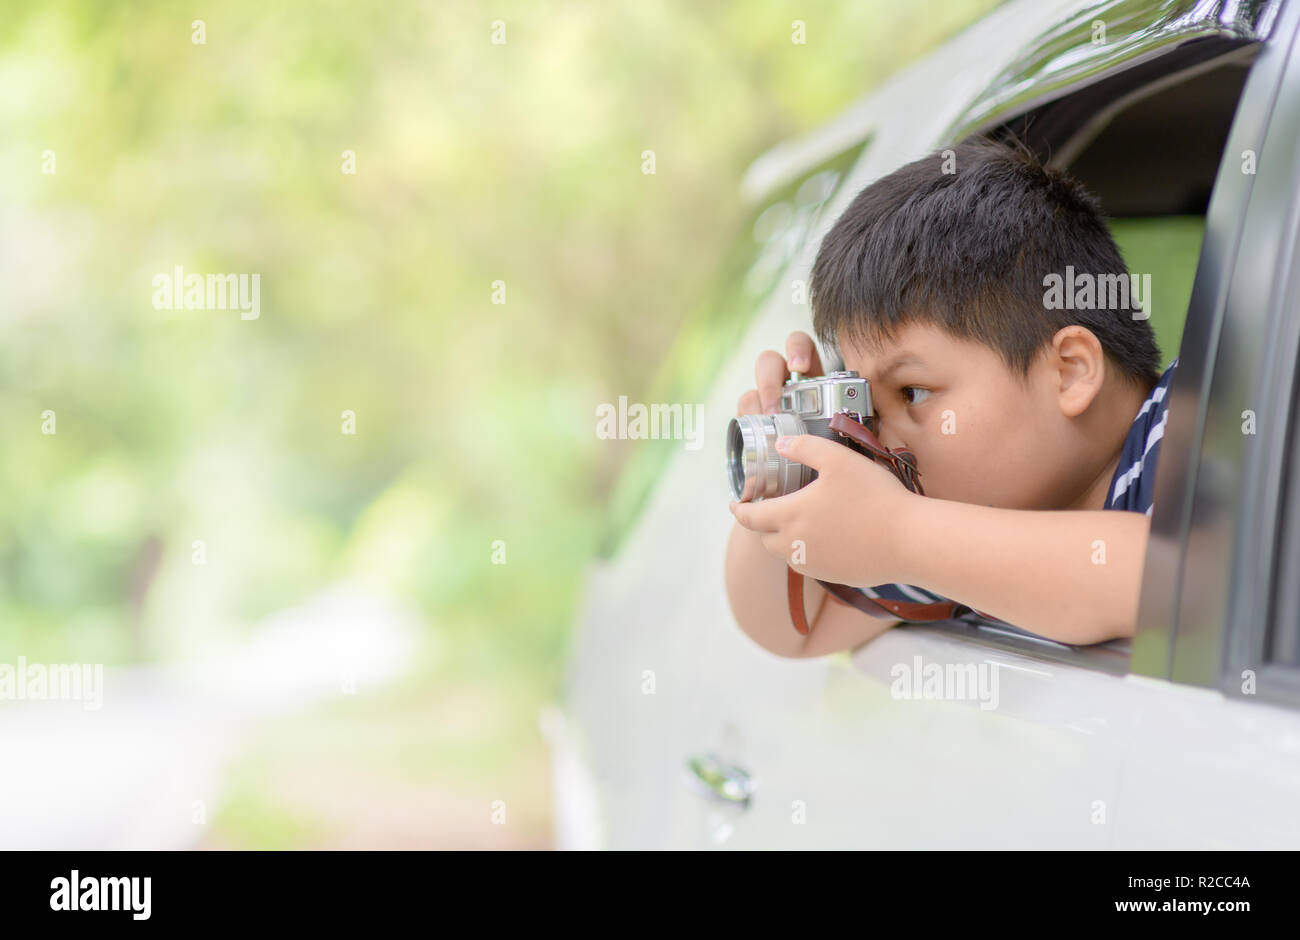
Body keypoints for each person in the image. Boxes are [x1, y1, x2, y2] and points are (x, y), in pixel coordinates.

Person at [726, 138, 1177, 658]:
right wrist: (788, 466)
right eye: (862, 405)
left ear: (1069, 372)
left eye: (912, 391)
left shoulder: (1196, 423)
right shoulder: (963, 524)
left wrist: (898, 535)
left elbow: (1173, 576)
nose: (873, 440)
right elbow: (793, 631)